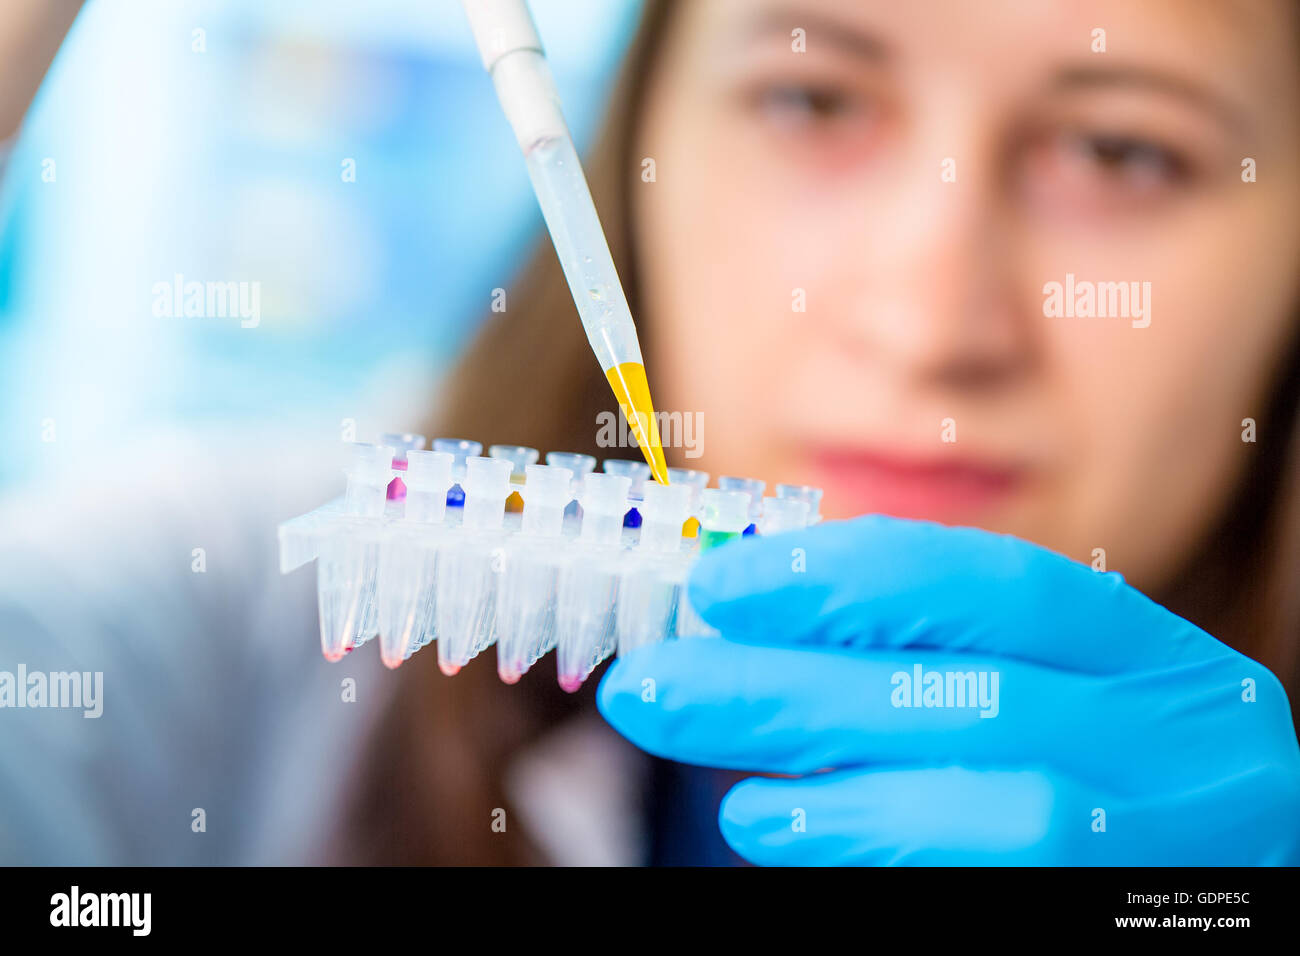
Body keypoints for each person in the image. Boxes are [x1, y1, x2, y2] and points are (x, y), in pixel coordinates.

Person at [2, 0, 1298, 866]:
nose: (929, 319)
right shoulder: (248, 621)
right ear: (636, 149)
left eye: (1126, 151)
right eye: (815, 101)